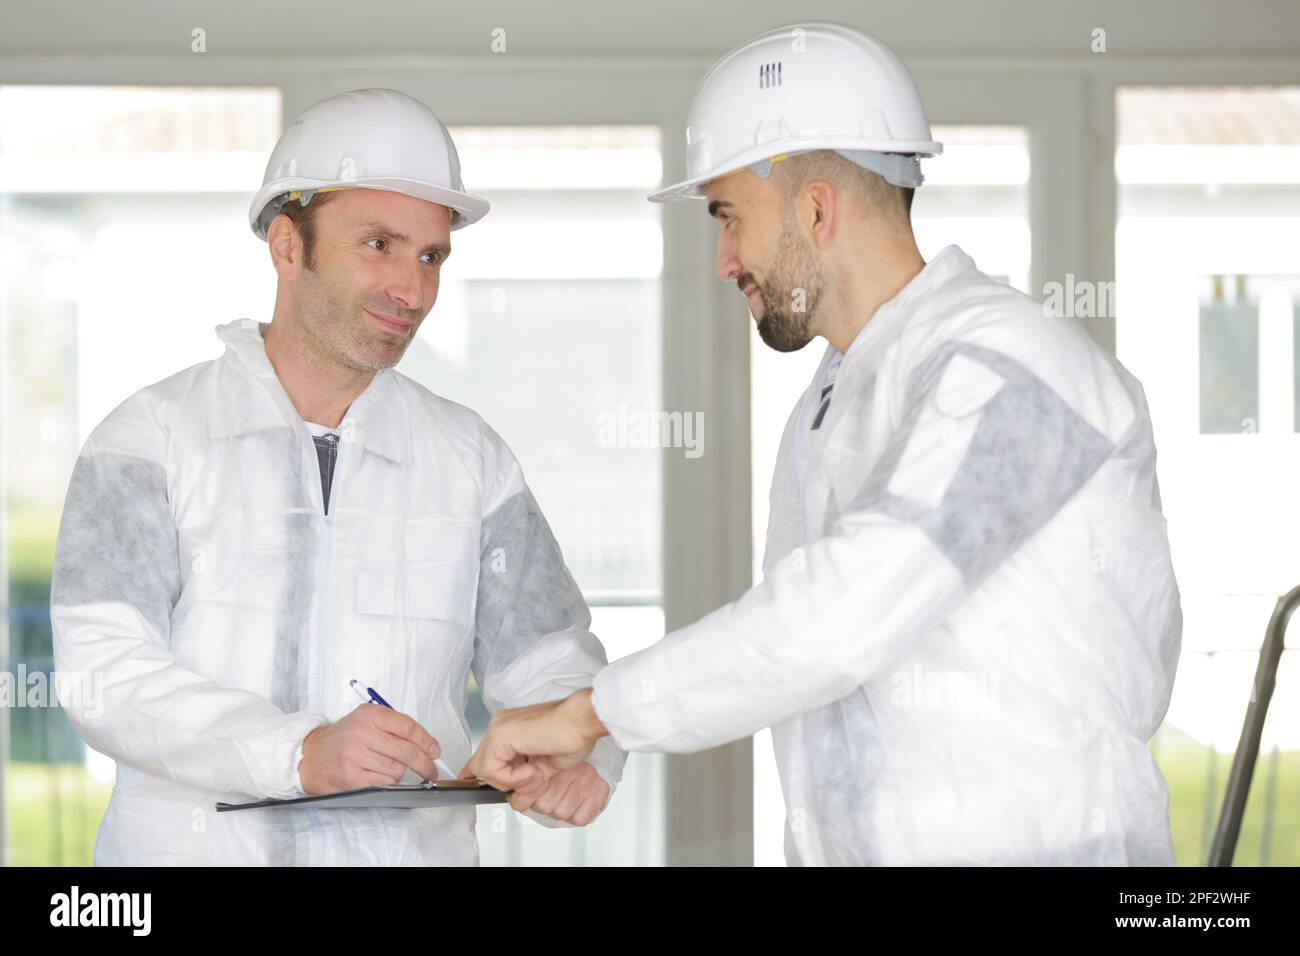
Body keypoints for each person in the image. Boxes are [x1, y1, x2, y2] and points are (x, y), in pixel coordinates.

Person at [464, 23, 1183, 866]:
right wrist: (605, 741)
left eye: (730, 219)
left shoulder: (1009, 363)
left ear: (814, 208)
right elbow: (803, 656)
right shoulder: (837, 397)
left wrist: (590, 714)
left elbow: (841, 614)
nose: (724, 261)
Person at [50, 88, 624, 866]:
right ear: (288, 248)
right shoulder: (151, 437)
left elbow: (551, 660)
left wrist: (584, 752)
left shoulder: (468, 458)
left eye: (430, 256)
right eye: (379, 245)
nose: (412, 289)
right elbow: (106, 676)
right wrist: (297, 752)